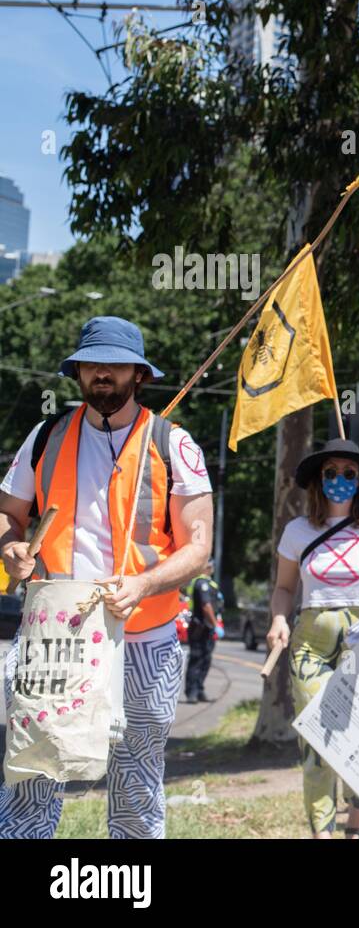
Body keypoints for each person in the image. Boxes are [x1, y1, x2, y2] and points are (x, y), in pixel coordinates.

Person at [0, 316, 213, 838]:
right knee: (34, 768)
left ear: (137, 375)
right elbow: (8, 514)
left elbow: (200, 547)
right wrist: (12, 550)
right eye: (93, 364)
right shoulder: (45, 436)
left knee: (137, 777)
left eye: (115, 366)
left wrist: (142, 584)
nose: (102, 375)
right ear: (78, 372)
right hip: (58, 637)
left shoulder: (173, 443)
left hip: (144, 638)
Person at [267, 438, 359, 839]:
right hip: (310, 644)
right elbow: (283, 588)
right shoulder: (297, 531)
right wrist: (279, 619)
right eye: (332, 473)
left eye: (349, 473)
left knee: (358, 741)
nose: (340, 480)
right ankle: (322, 833)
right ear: (319, 479)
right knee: (318, 743)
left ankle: (356, 816)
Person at [184, 560, 224, 703]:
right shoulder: (201, 583)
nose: (212, 568)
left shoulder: (210, 583)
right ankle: (191, 692)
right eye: (210, 566)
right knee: (196, 658)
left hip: (207, 628)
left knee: (206, 659)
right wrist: (215, 625)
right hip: (199, 627)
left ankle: (199, 689)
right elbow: (206, 606)